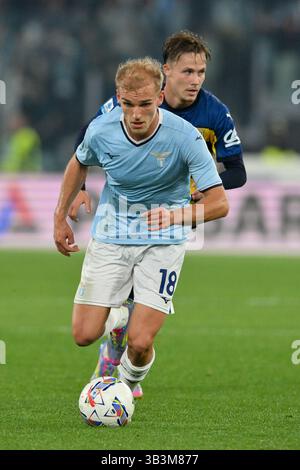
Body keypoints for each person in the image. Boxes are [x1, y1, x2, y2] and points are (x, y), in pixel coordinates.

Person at [68, 30, 246, 398]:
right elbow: (87, 138)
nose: (195, 79)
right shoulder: (137, 98)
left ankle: (125, 370)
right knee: (100, 323)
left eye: (200, 72)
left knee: (142, 325)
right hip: (121, 220)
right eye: (188, 71)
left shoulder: (214, 113)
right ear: (167, 74)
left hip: (174, 220)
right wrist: (79, 190)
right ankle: (116, 326)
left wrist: (190, 202)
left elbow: (238, 172)